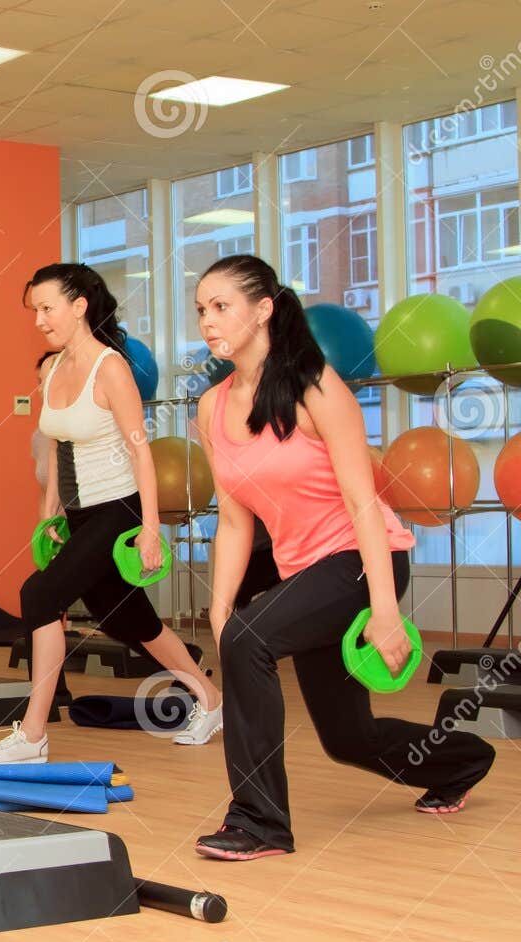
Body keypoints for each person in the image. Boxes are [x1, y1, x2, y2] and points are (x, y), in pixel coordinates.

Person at [191, 255, 494, 860]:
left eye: (221, 306)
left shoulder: (316, 387)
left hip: (361, 558)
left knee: (249, 640)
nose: (208, 321)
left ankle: (258, 823)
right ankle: (463, 759)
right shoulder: (212, 408)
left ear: (264, 310)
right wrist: (219, 611)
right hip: (306, 572)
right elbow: (234, 520)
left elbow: (362, 502)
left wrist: (385, 610)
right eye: (201, 310)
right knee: (346, 738)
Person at [0, 263, 222, 764]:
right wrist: (50, 514)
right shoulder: (51, 369)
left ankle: (33, 735)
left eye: (47, 308)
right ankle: (211, 700)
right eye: (35, 310)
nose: (39, 320)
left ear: (79, 306)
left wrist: (149, 528)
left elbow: (140, 452)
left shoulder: (111, 368)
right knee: (129, 619)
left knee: (38, 594)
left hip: (119, 509)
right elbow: (55, 447)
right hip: (81, 515)